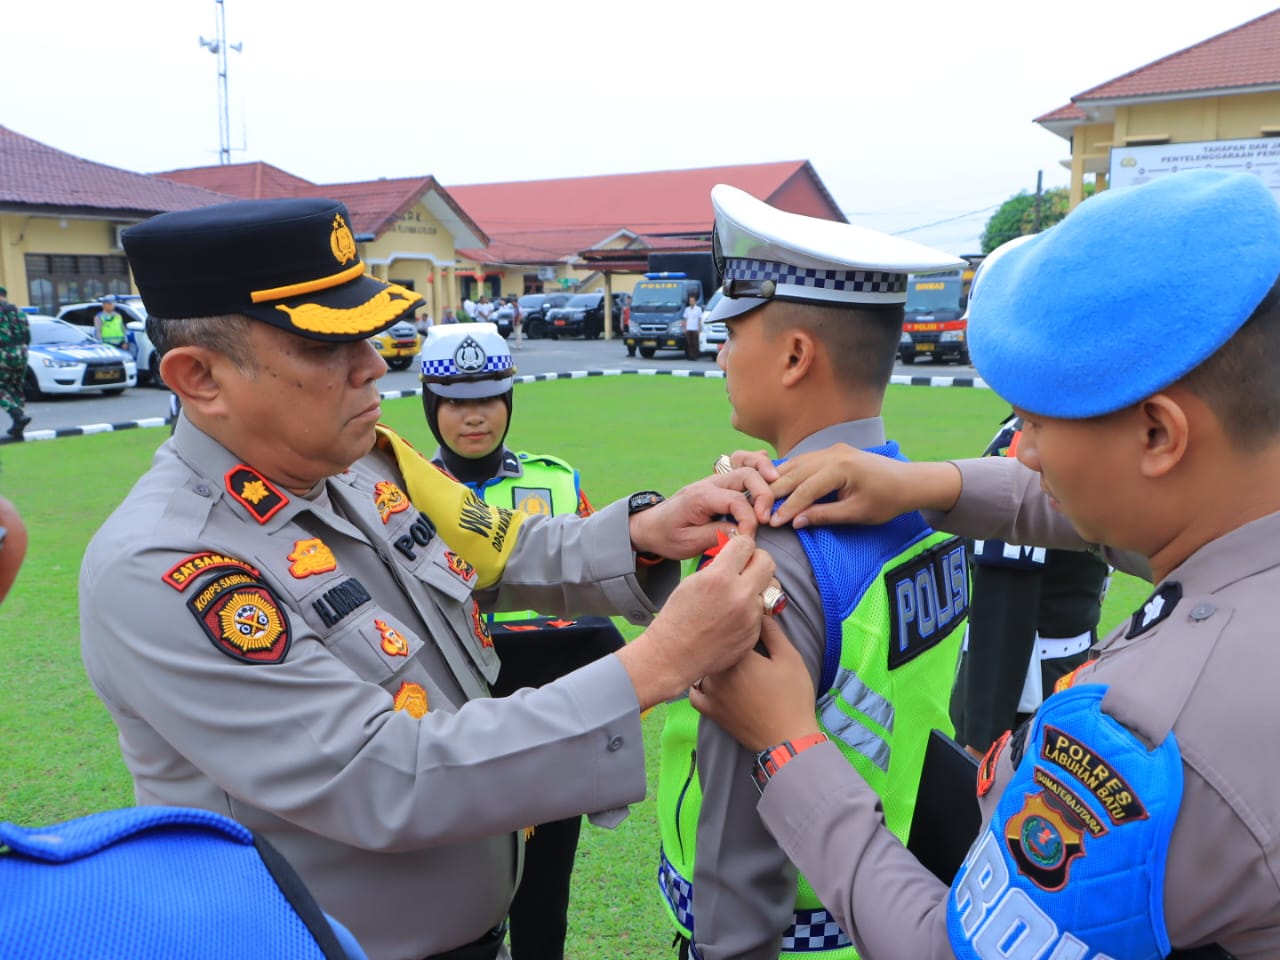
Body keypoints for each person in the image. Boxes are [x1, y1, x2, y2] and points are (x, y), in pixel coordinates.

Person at [80, 197, 779, 960]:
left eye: (369, 336)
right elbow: (384, 774)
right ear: (199, 377)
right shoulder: (163, 568)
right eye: (325, 346)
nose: (375, 364)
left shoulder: (350, 470)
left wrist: (643, 533)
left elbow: (497, 555)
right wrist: (662, 661)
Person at [692, 169, 1280, 958]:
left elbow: (953, 948)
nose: (1023, 451)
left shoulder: (1152, 732)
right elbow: (1084, 505)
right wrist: (922, 484)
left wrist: (787, 748)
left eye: (1036, 422)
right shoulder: (1242, 520)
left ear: (1158, 437)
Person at [655, 184, 971, 960]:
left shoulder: (776, 552)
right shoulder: (926, 510)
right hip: (878, 903)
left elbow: (739, 830)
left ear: (795, 356)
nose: (719, 350)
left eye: (734, 329)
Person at [419, 322, 626, 960]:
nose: (473, 416)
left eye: (488, 398)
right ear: (431, 407)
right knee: (456, 906)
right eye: (454, 401)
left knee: (544, 900)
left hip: (549, 727)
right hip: (450, 728)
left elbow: (597, 588)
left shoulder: (556, 483)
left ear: (510, 400)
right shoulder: (395, 493)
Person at [951, 412, 1110, 757]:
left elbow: (1005, 600)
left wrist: (982, 739)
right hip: (1047, 676)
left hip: (1024, 690)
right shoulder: (1067, 431)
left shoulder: (1032, 443)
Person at [0, 287, 31, 440]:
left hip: (3, 353)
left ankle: (17, 415)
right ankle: (18, 426)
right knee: (16, 387)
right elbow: (28, 334)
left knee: (1, 388)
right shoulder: (19, 311)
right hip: (22, 352)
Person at [682, 294, 702, 360]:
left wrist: (699, 328)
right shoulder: (687, 309)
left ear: (695, 301)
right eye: (690, 301)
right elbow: (685, 319)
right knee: (689, 343)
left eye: (692, 301)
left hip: (695, 329)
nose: (691, 302)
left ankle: (695, 355)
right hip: (689, 328)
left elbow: (699, 320)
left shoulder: (698, 309)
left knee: (695, 343)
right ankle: (691, 356)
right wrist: (685, 328)